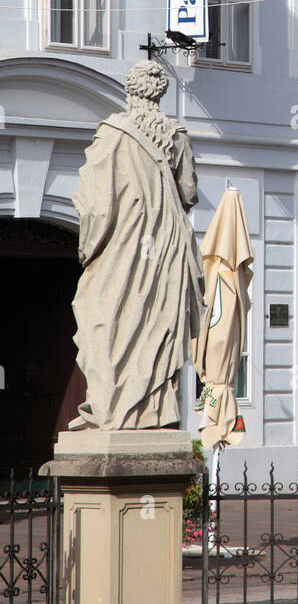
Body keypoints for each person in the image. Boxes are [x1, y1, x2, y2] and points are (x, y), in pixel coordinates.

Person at [71, 61, 205, 430]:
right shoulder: (177, 135)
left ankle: (110, 409)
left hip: (126, 243)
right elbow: (189, 193)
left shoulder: (111, 133)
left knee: (101, 312)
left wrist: (88, 248)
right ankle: (152, 411)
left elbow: (97, 206)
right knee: (157, 322)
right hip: (167, 246)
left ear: (130, 92)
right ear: (159, 93)